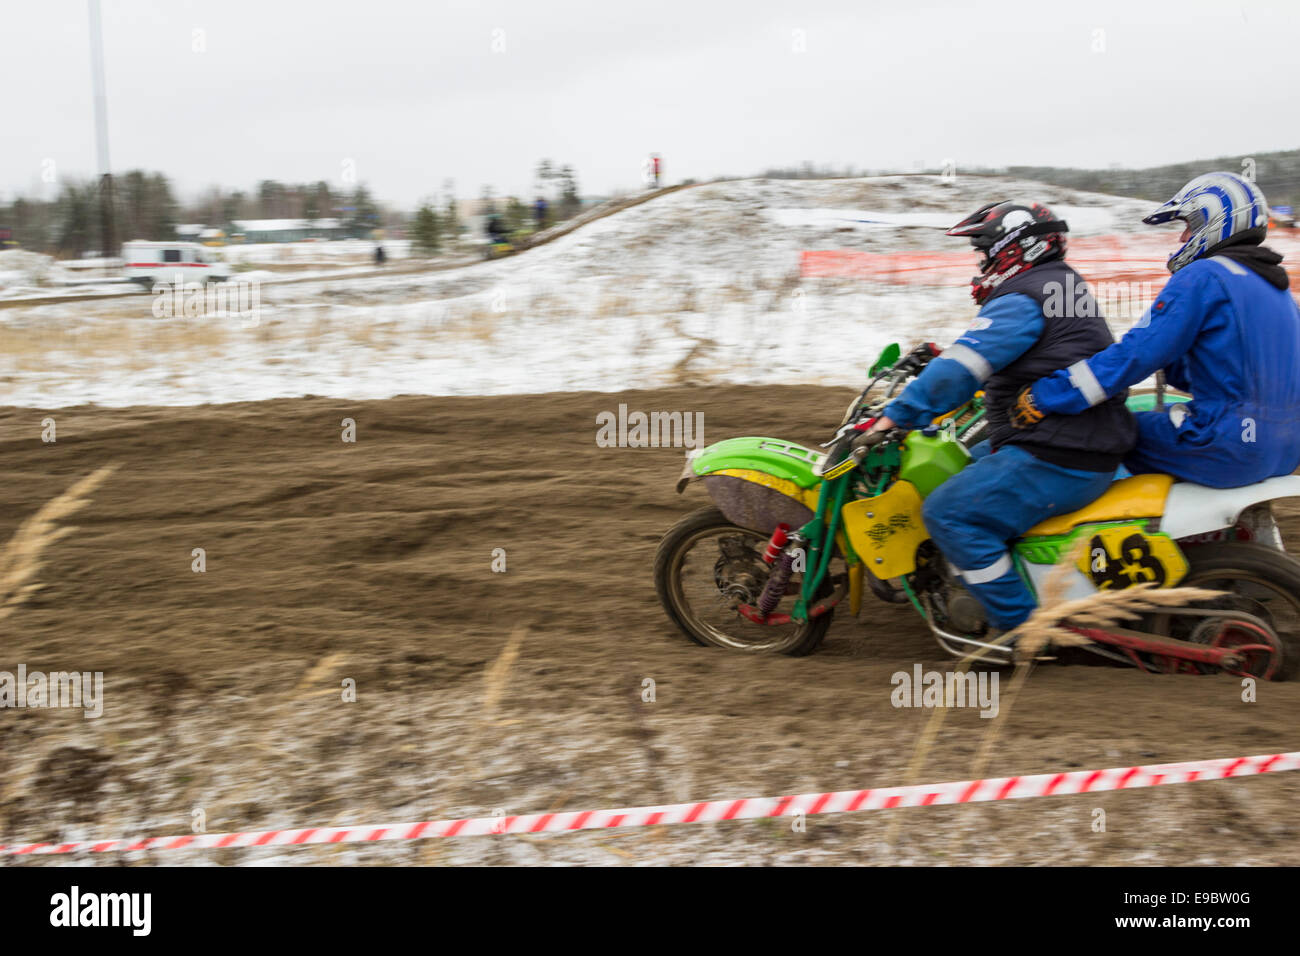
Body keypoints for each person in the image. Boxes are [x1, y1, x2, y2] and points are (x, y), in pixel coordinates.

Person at [862, 202, 1136, 634]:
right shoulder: (1058, 284)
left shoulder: (1025, 295)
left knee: (949, 513)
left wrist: (894, 416)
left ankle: (1017, 631)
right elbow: (1036, 353)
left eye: (983, 252)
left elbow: (964, 368)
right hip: (1078, 438)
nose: (980, 263)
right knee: (967, 458)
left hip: (1058, 450)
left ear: (1014, 248)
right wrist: (940, 360)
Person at [1013, 172, 1300, 488]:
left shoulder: (1203, 276)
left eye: (1188, 225)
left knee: (1114, 431)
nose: (1182, 238)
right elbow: (1230, 375)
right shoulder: (1277, 288)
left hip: (1229, 446)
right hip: (1285, 449)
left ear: (1215, 221)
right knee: (1154, 414)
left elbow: (1134, 355)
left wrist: (1047, 395)